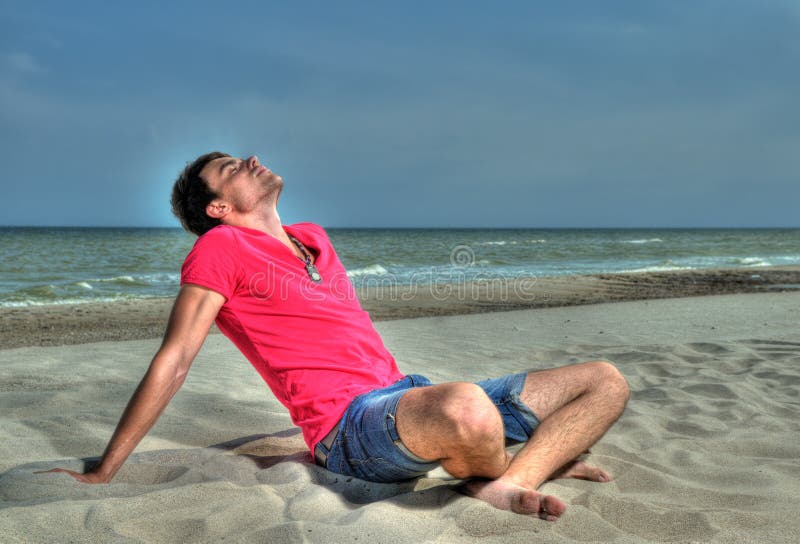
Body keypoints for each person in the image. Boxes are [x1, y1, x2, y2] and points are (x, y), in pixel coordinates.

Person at [45, 152, 629, 521]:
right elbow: (173, 360)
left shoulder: (313, 237)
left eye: (241, 156)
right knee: (468, 405)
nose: (249, 159)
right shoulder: (217, 248)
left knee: (603, 381)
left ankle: (511, 476)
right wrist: (104, 471)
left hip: (406, 398)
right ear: (218, 207)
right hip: (346, 428)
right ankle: (515, 470)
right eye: (228, 169)